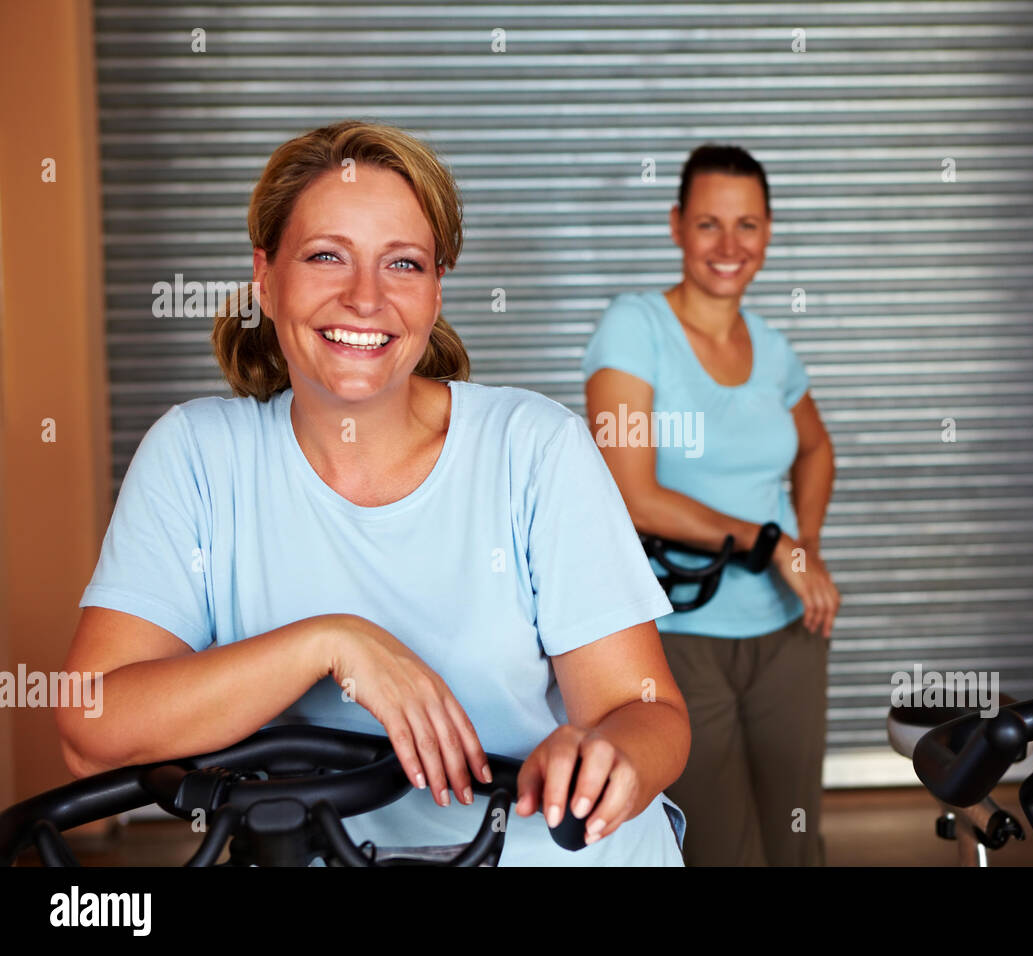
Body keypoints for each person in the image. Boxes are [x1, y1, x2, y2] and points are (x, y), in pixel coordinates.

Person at [55, 120, 690, 866]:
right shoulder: (197, 456)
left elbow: (649, 714)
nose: (366, 298)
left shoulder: (534, 447)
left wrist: (610, 753)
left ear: (434, 290)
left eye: (403, 264)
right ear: (265, 274)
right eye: (328, 256)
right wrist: (331, 643)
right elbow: (90, 728)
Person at [581, 144, 840, 866]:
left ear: (769, 231)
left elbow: (817, 450)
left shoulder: (774, 347)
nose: (730, 246)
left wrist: (806, 546)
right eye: (708, 225)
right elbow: (629, 495)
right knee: (721, 849)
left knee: (796, 843)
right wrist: (774, 543)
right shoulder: (633, 330)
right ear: (675, 226)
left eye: (748, 225)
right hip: (679, 634)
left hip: (789, 634)